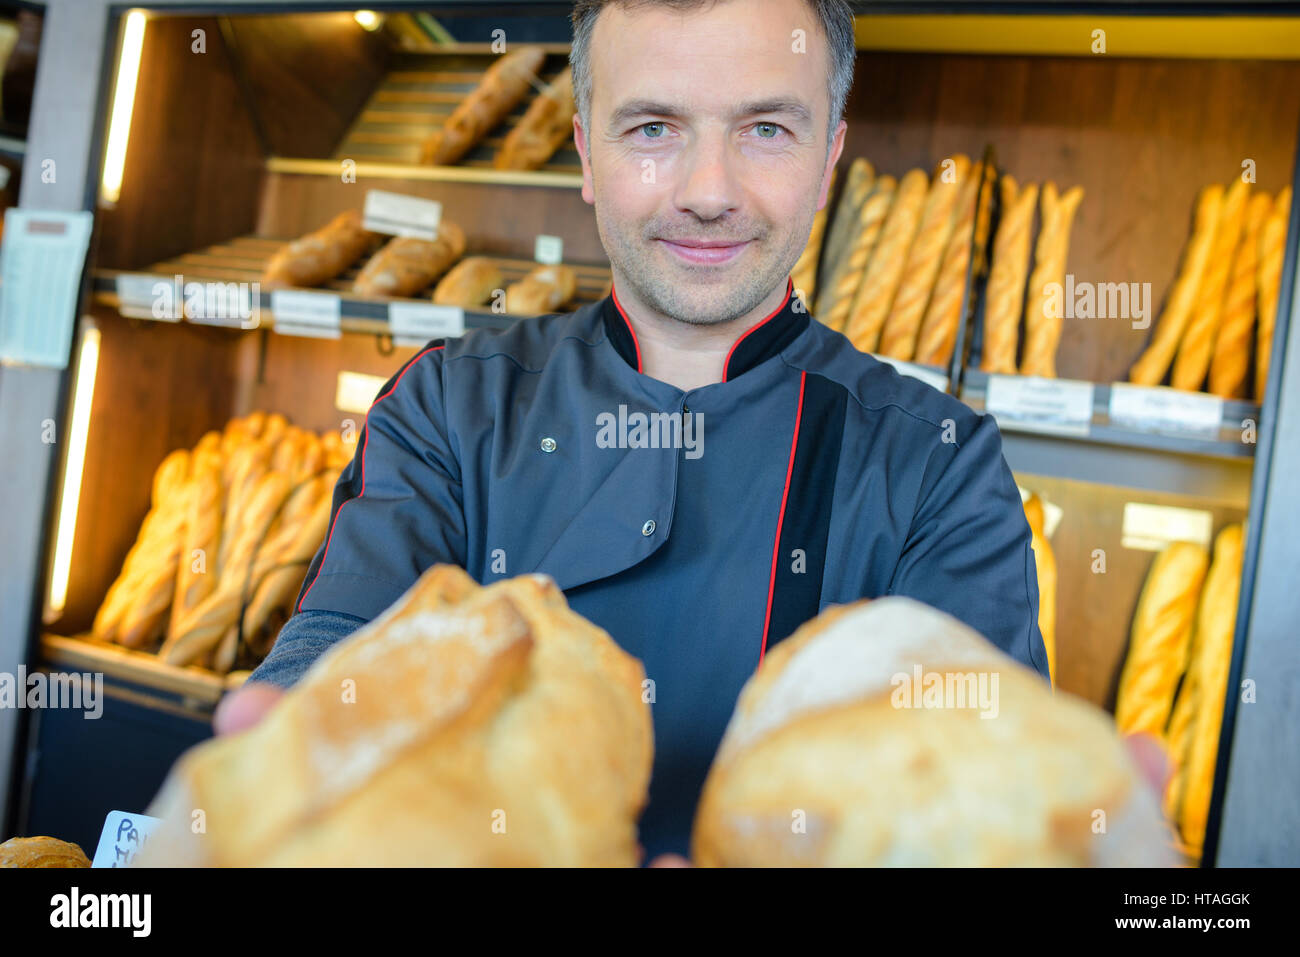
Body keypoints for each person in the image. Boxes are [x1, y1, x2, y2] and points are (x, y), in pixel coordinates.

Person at [219, 0, 1049, 860]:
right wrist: (292, 741)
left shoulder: (941, 467)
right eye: (653, 128)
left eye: (766, 129)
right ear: (586, 153)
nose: (708, 193)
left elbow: (981, 796)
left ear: (830, 158)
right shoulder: (445, 407)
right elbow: (335, 655)